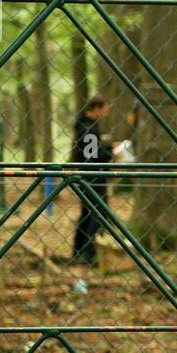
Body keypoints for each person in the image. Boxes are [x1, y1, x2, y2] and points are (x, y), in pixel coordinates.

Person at [69, 94, 116, 267]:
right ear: (97, 108)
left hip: (88, 176)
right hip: (92, 177)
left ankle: (78, 251)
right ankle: (88, 253)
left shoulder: (86, 126)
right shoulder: (88, 128)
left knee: (87, 214)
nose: (107, 111)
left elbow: (91, 149)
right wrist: (112, 152)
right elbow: (92, 156)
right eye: (106, 108)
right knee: (96, 213)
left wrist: (108, 146)